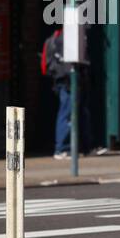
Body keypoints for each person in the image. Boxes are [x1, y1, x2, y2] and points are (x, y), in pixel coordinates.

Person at [41, 27, 92, 159]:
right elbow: (69, 63)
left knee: (77, 113)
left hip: (65, 79)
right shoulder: (65, 38)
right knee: (67, 113)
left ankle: (82, 147)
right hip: (67, 81)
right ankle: (62, 149)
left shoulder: (57, 37)